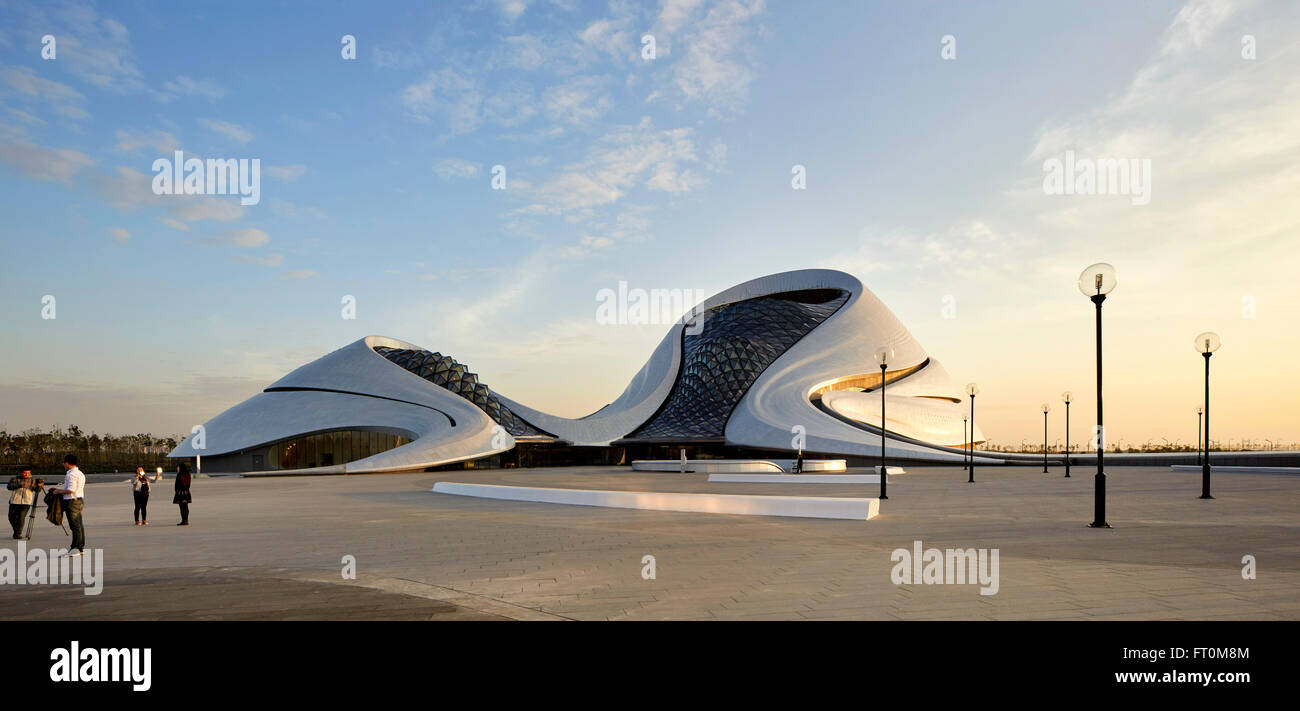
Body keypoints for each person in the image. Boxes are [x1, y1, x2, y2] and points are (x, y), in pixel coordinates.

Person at [48, 455, 86, 556]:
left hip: (72, 501)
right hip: (79, 500)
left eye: (64, 463)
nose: (63, 465)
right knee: (79, 525)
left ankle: (75, 548)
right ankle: (80, 547)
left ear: (67, 463)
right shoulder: (80, 473)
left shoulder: (71, 474)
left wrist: (57, 491)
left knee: (75, 526)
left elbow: (70, 490)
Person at [6, 468, 39, 539]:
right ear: (20, 472)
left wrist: (39, 486)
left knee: (21, 517)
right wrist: (20, 485)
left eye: (28, 473)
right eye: (25, 473)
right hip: (14, 501)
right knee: (11, 517)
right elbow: (9, 487)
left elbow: (37, 490)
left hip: (26, 502)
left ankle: (18, 533)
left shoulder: (33, 480)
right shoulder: (14, 479)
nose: (27, 474)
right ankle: (16, 531)